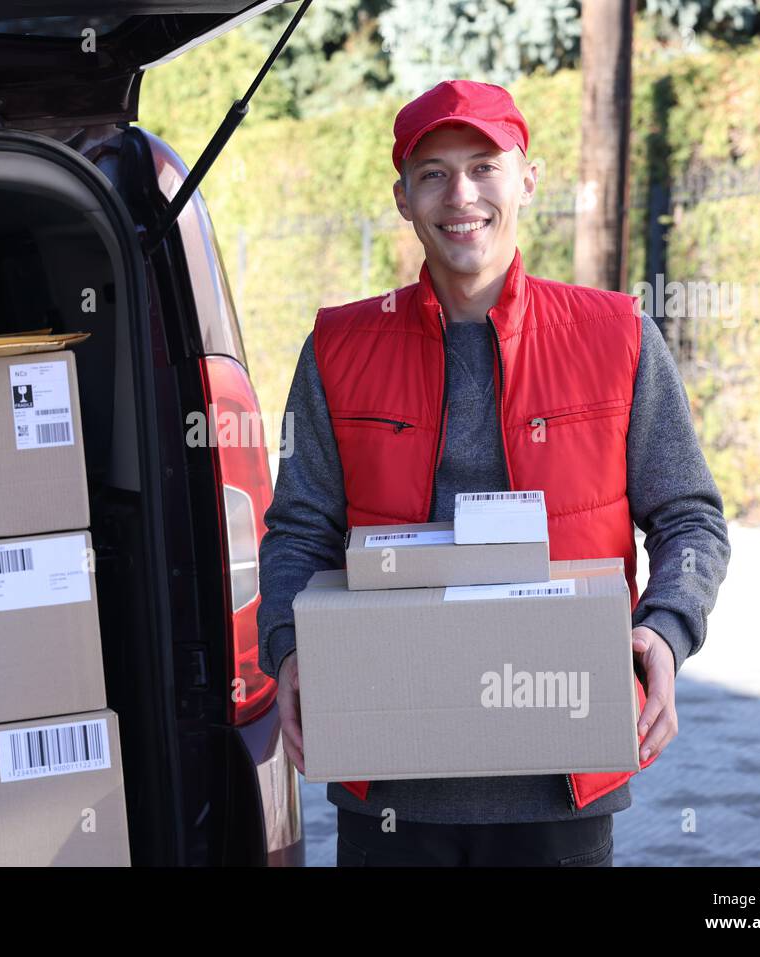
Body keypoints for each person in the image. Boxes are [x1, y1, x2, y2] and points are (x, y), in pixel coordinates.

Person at [256, 79, 732, 867]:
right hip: (388, 772)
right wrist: (288, 647)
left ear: (528, 179)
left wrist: (665, 628)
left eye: (484, 165)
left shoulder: (616, 336)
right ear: (403, 197)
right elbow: (299, 527)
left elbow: (690, 515)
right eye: (434, 172)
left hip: (560, 774)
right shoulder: (340, 347)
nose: (461, 194)